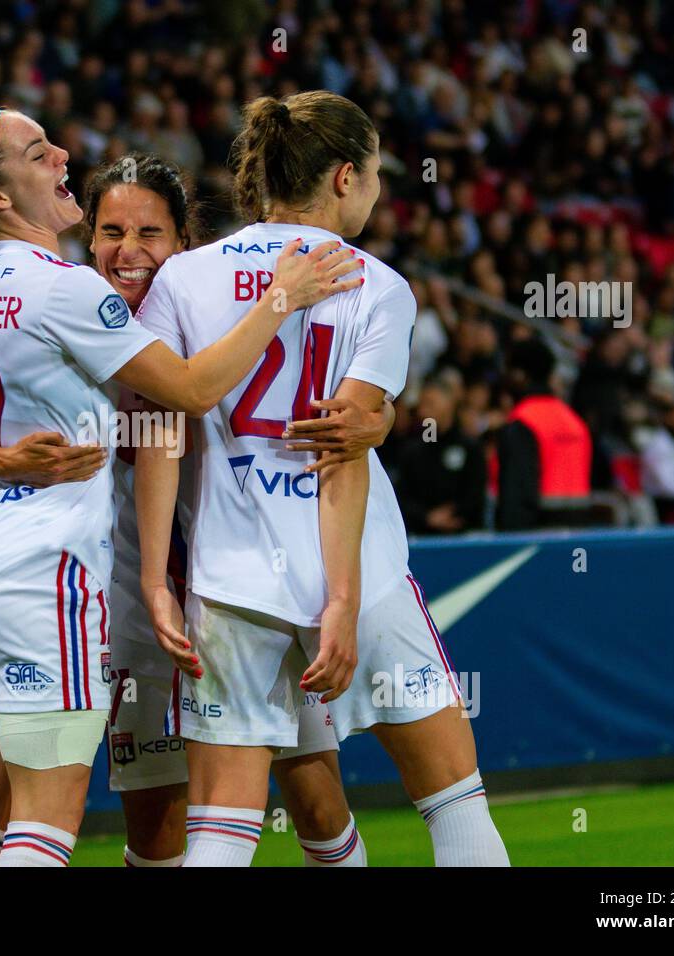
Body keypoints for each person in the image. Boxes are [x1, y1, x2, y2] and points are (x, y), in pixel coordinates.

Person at [0, 108, 361, 866]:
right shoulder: (76, 300)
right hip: (98, 589)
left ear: (185, 247)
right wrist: (283, 296)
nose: (129, 251)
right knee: (105, 817)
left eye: (151, 235)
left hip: (204, 582)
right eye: (112, 232)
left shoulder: (8, 287)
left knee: (308, 790)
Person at [137, 91, 510, 866]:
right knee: (454, 805)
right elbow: (346, 443)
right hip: (360, 576)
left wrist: (156, 578)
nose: (377, 191)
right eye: (375, 174)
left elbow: (160, 434)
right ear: (345, 176)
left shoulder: (183, 278)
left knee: (220, 835)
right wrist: (340, 599)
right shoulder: (380, 286)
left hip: (231, 580)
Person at [496, 337, 592, 530]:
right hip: (577, 537)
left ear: (519, 374)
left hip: (538, 540)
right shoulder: (575, 422)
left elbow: (517, 500)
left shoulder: (523, 423)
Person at [393, 377, 487, 535]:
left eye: (430, 404)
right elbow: (402, 496)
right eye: (422, 405)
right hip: (421, 536)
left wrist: (454, 514)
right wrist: (427, 517)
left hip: (464, 536)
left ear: (449, 404)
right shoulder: (412, 451)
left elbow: (475, 495)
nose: (423, 412)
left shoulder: (471, 448)